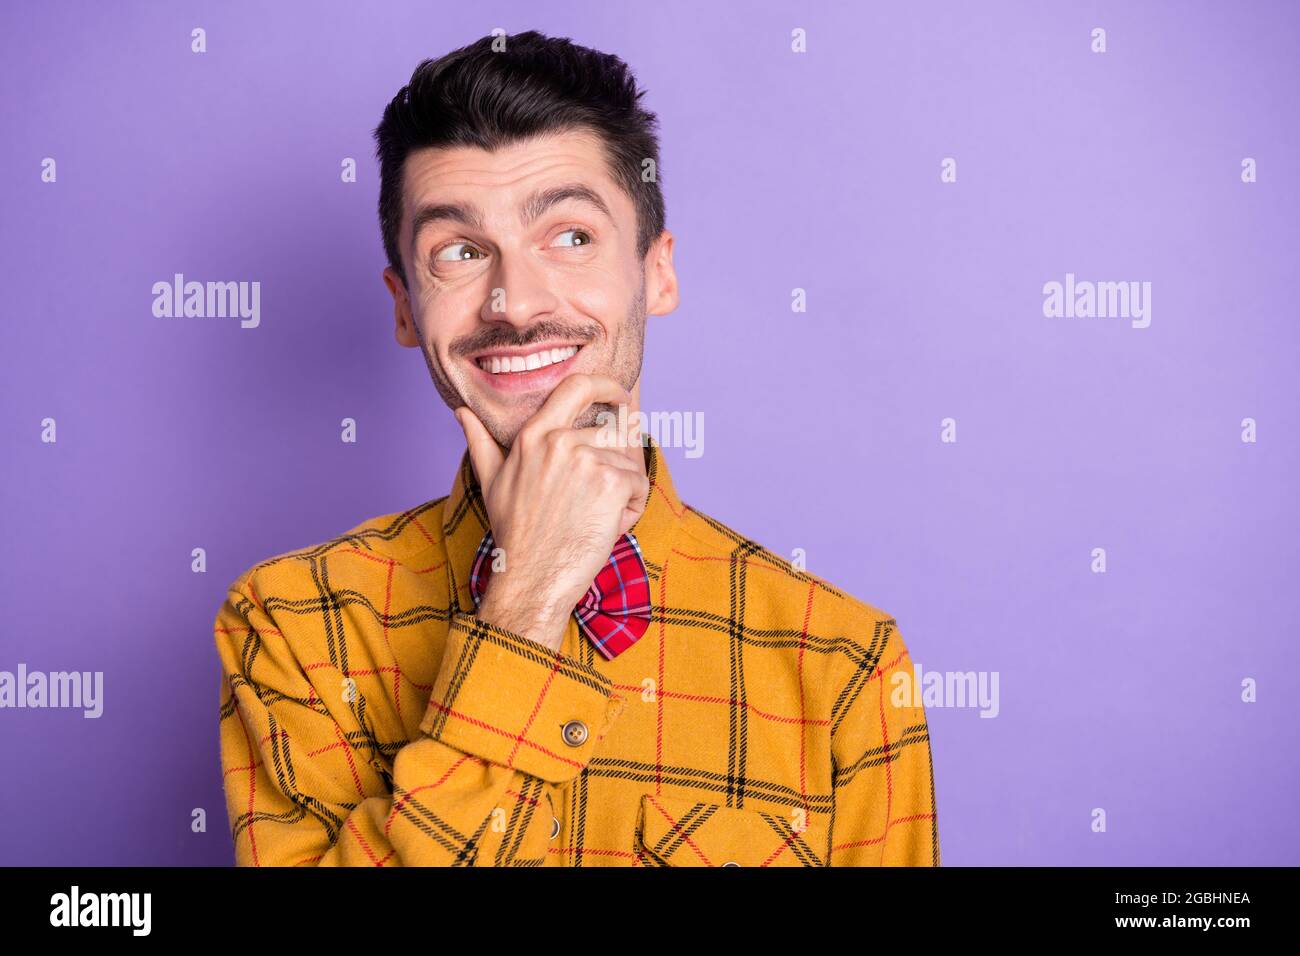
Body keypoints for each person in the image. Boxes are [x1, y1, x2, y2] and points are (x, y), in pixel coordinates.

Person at [214, 29, 939, 867]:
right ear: (407, 308)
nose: (515, 304)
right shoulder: (293, 625)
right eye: (458, 251)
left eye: (570, 237)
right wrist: (526, 606)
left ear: (656, 273)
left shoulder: (840, 658)